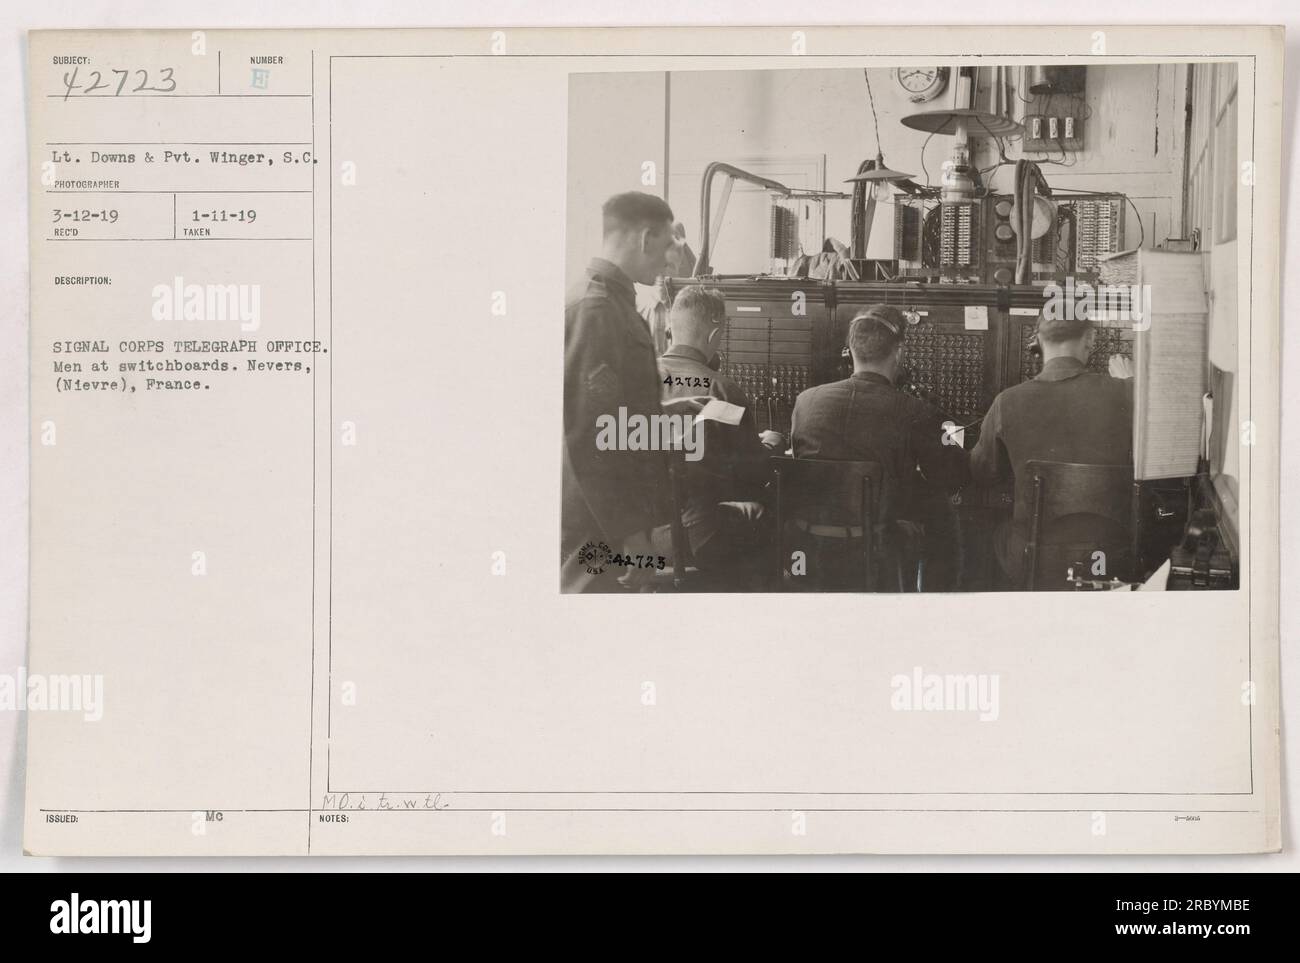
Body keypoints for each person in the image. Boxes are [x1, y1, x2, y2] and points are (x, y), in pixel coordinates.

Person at [789, 305, 969, 588]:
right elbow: (949, 477)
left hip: (811, 543)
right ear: (899, 352)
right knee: (943, 513)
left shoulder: (805, 400)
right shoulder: (915, 411)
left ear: (850, 349)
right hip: (877, 545)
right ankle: (938, 607)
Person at [562, 191, 681, 592]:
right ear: (645, 237)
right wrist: (630, 531)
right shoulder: (598, 310)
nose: (670, 259)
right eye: (667, 245)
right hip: (597, 525)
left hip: (604, 517)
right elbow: (593, 433)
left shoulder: (611, 302)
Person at [970, 313, 1134, 587]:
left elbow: (982, 473)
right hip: (1109, 555)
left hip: (1036, 557)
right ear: (1091, 338)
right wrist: (1131, 384)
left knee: (993, 532)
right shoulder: (1127, 393)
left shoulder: (1006, 401)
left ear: (1037, 341)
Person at [652, 285, 780, 585]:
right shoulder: (721, 390)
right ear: (713, 335)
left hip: (645, 537)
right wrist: (769, 446)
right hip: (700, 540)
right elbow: (751, 474)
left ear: (672, 328)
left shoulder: (636, 378)